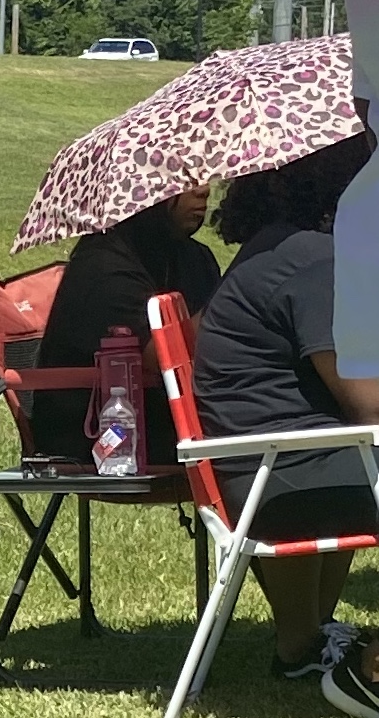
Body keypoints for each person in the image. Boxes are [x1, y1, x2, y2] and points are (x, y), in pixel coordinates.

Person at [192, 132, 379, 685]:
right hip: (284, 477)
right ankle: (342, 661)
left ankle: (311, 638)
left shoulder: (280, 248)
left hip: (268, 467)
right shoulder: (313, 262)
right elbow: (367, 404)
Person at [30, 187, 221, 465]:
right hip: (101, 436)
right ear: (145, 189)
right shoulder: (102, 266)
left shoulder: (194, 258)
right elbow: (164, 357)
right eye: (185, 180)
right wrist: (238, 294)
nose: (203, 189)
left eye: (204, 176)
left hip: (169, 417)